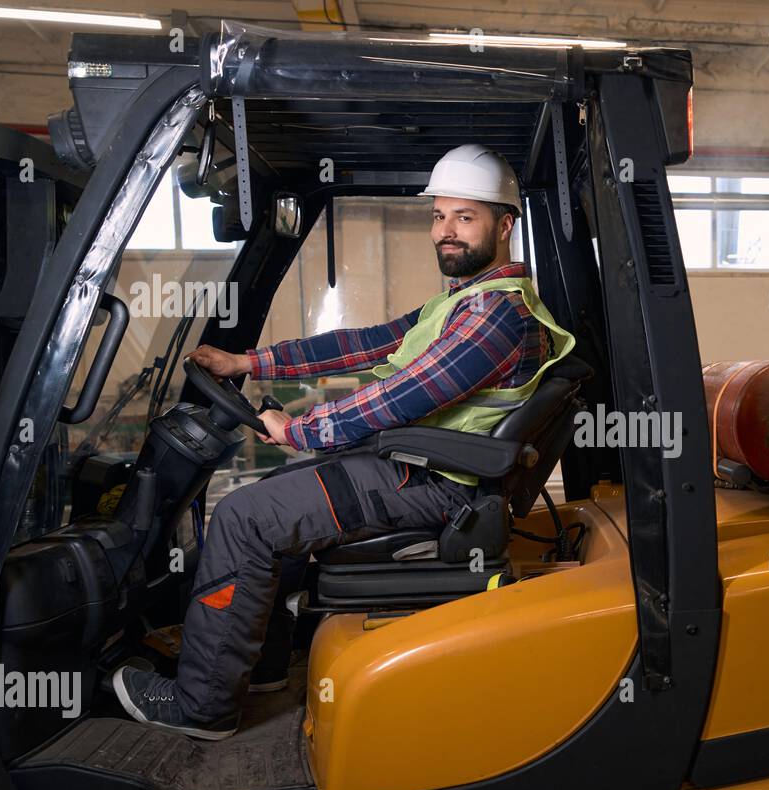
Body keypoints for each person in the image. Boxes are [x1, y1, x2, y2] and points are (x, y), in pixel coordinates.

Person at [113, 144, 574, 739]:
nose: (446, 232)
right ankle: (261, 669)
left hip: (435, 482)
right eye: (439, 216)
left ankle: (201, 707)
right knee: (271, 498)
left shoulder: (495, 317)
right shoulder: (463, 304)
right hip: (417, 464)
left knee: (242, 518)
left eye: (466, 217)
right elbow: (365, 344)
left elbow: (401, 397)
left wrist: (296, 430)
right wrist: (249, 360)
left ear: (504, 224)